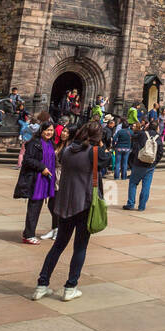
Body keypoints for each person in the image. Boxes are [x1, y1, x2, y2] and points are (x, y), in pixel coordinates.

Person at [33, 122, 105, 301]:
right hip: (85, 204)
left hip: (64, 204)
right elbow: (106, 162)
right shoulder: (94, 152)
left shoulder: (66, 151)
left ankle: (42, 284)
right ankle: (70, 287)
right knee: (80, 247)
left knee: (58, 246)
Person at [15, 122, 57, 244]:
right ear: (41, 131)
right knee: (34, 208)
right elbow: (27, 160)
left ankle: (30, 233)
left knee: (38, 207)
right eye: (47, 130)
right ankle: (28, 235)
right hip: (36, 180)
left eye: (51, 130)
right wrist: (42, 167)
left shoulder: (51, 144)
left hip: (45, 180)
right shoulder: (35, 143)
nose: (49, 132)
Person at [124, 115, 164, 211]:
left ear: (148, 126)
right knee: (146, 186)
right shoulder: (159, 138)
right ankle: (142, 206)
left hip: (139, 163)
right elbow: (161, 152)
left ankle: (130, 204)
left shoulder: (142, 134)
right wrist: (155, 162)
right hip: (150, 165)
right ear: (157, 128)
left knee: (133, 183)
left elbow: (133, 138)